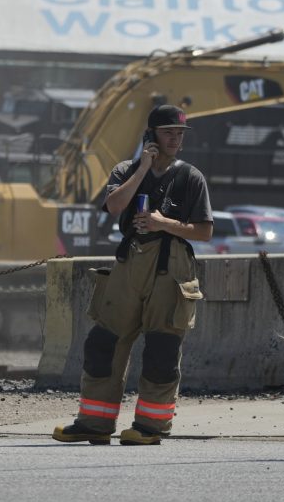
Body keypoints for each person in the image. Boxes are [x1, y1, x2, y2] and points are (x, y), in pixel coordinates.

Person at [52, 104, 213, 446]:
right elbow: (114, 206)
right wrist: (142, 168)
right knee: (103, 343)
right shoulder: (126, 169)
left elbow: (204, 232)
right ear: (151, 135)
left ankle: (150, 427)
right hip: (129, 264)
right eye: (168, 132)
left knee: (161, 349)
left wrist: (161, 223)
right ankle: (94, 422)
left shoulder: (190, 177)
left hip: (171, 268)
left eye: (180, 133)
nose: (175, 139)